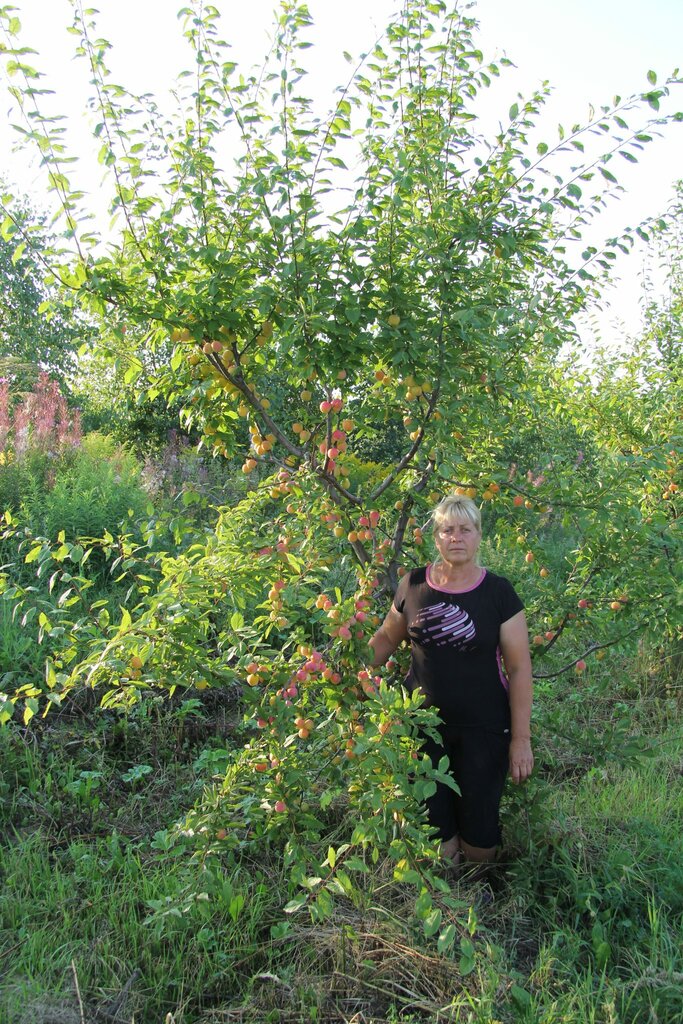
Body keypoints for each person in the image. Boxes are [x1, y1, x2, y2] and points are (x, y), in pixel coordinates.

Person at [369, 493, 533, 870]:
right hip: (422, 727)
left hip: (484, 730)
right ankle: (446, 907)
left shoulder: (499, 594)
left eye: (465, 529)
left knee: (479, 836)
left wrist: (521, 740)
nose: (456, 537)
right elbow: (384, 641)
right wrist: (344, 658)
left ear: (478, 536)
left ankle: (481, 900)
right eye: (447, 530)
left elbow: (520, 669)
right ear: (436, 538)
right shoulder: (412, 585)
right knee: (436, 831)